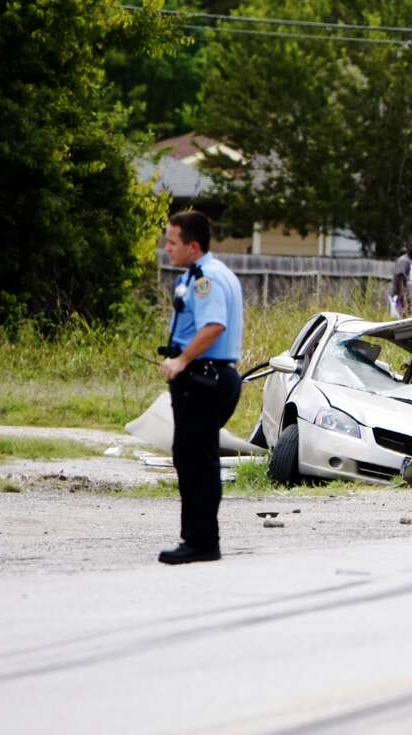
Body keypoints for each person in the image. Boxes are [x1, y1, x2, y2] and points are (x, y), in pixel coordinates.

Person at [156, 211, 244, 565]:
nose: (167, 248)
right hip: (209, 377)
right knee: (192, 457)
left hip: (204, 378)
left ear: (193, 247)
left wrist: (181, 360)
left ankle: (201, 541)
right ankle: (198, 537)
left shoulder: (206, 279)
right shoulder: (208, 273)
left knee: (196, 462)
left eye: (172, 242)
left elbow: (214, 326)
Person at [391, 237, 412, 317]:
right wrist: (404, 302)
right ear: (407, 247)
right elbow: (399, 281)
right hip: (400, 302)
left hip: (410, 302)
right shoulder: (403, 261)